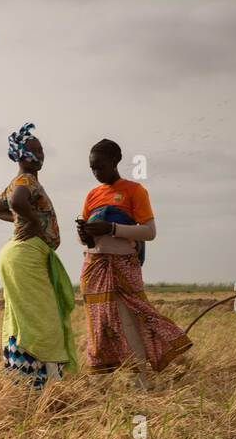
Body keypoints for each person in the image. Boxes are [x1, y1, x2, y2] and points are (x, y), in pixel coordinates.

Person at [75, 139, 190, 388]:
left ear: (115, 162)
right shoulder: (92, 195)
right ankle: (101, 385)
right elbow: (84, 239)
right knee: (99, 323)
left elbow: (149, 232)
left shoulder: (134, 191)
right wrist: (84, 233)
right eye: (92, 168)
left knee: (129, 321)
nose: (96, 173)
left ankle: (140, 380)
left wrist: (112, 228)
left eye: (101, 167)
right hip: (95, 268)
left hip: (123, 267)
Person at [0, 123, 78, 389]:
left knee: (26, 315)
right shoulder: (25, 181)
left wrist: (20, 218)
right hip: (26, 254)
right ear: (22, 155)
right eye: (35, 150)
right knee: (44, 317)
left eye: (41, 149)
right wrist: (33, 222)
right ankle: (44, 383)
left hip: (18, 253)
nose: (41, 155)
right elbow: (16, 202)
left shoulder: (18, 182)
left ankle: (28, 378)